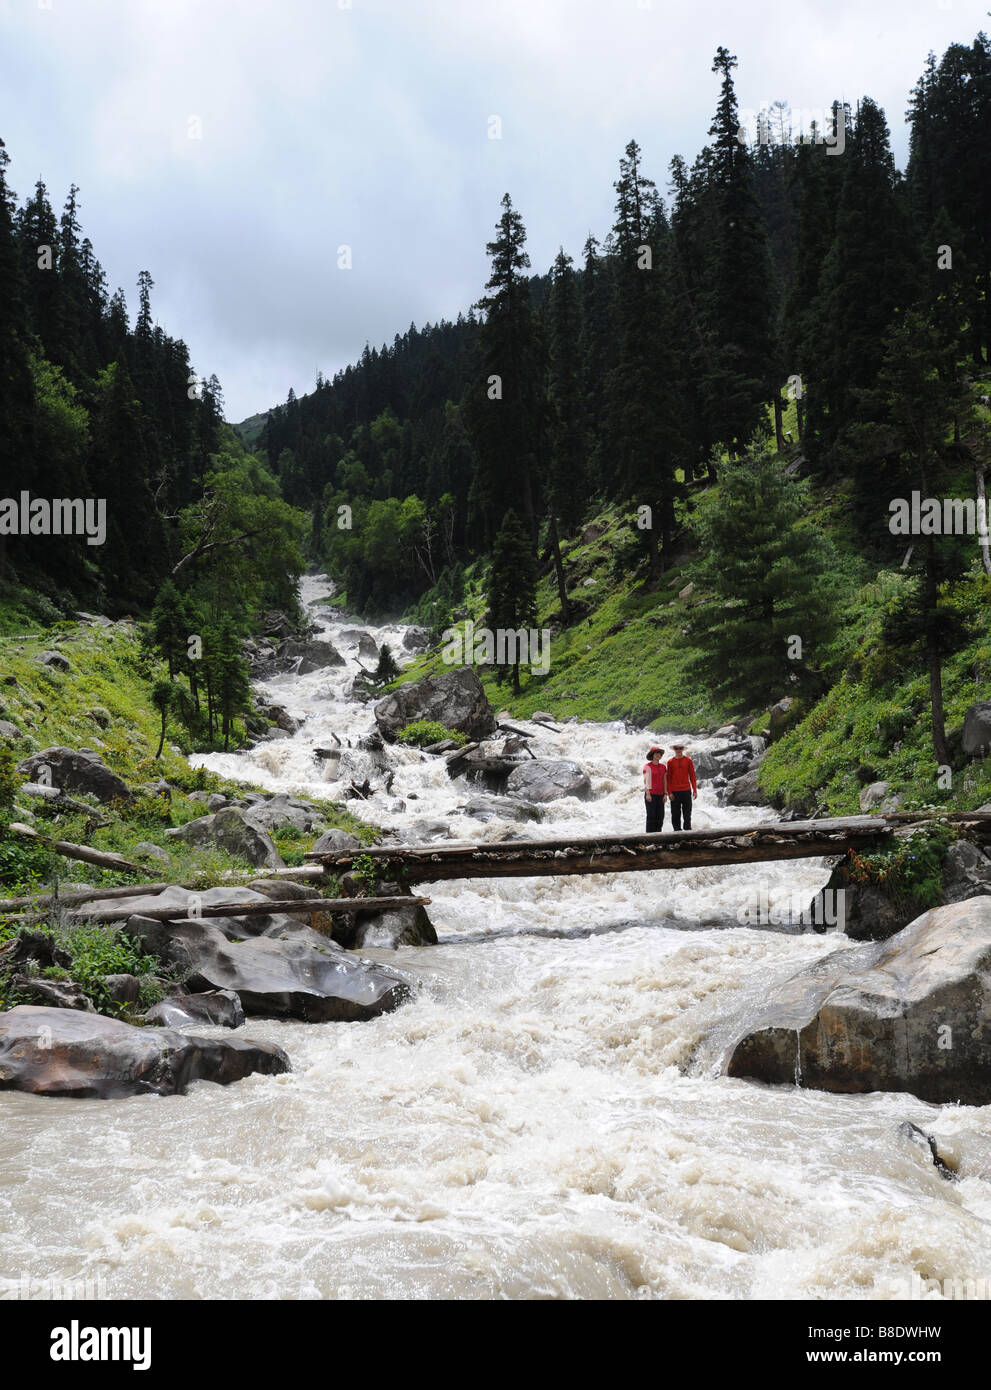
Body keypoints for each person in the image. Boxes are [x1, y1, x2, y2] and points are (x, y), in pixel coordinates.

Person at [667, 742, 697, 831]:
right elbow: (668, 778)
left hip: (686, 790)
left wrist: (695, 789)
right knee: (675, 813)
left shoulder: (688, 760)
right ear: (674, 750)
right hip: (675, 791)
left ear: (683, 749)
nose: (678, 750)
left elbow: (692, 775)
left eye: (680, 748)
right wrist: (669, 792)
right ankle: (677, 831)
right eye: (676, 748)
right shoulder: (670, 762)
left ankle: (687, 830)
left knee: (687, 813)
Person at [642, 746, 667, 832]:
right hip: (651, 794)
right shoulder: (647, 766)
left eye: (659, 753)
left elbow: (664, 781)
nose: (658, 755)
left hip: (661, 795)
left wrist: (665, 794)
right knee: (651, 816)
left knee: (660, 816)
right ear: (652, 755)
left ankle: (658, 836)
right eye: (656, 753)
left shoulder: (663, 767)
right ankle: (649, 838)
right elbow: (646, 781)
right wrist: (648, 794)